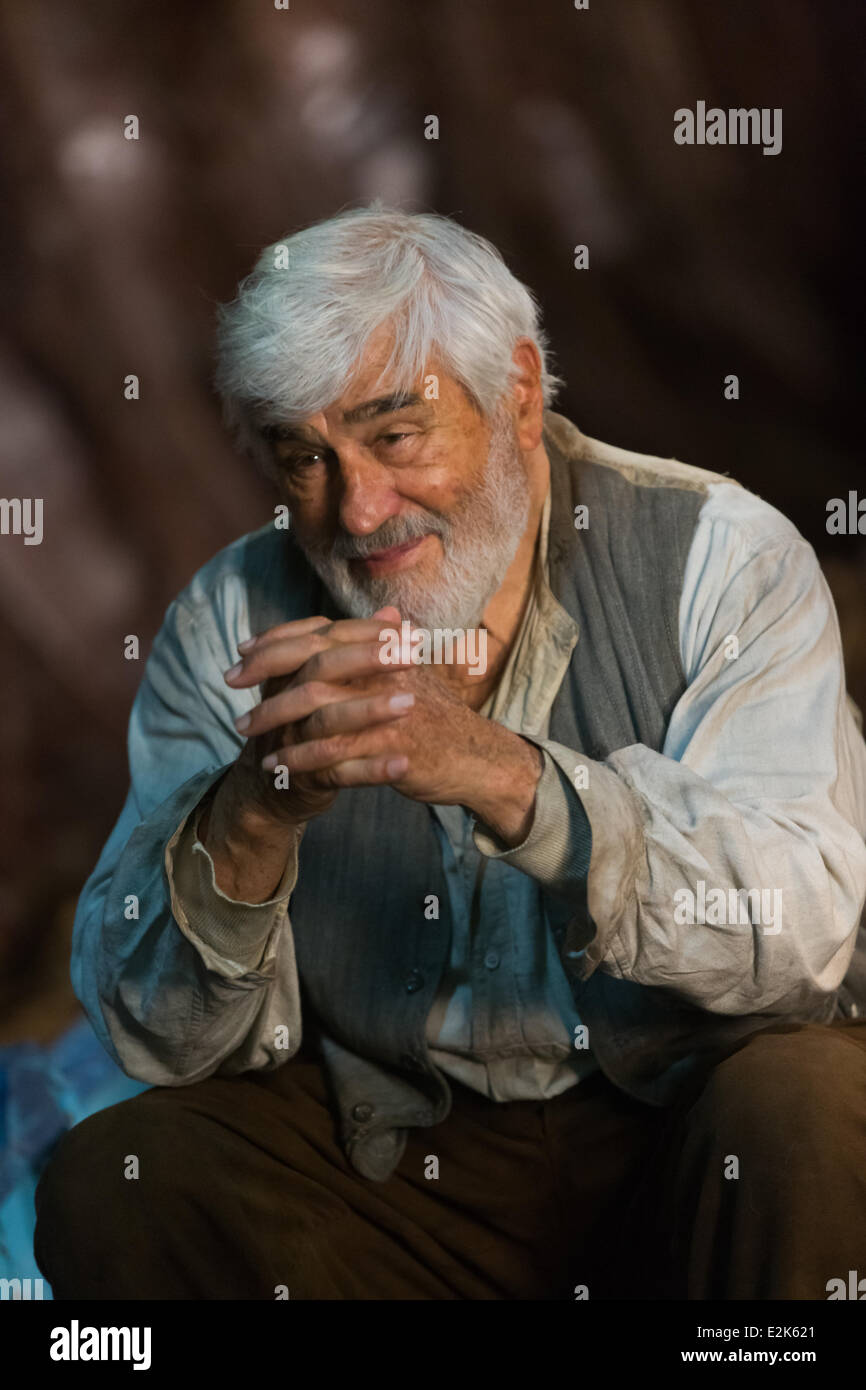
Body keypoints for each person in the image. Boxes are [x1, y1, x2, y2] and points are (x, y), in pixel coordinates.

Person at [34, 204, 866, 1300]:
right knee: (120, 1178)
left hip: (679, 1133)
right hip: (390, 1160)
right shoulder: (228, 618)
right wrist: (253, 814)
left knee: (805, 1105)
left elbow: (801, 925)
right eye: (306, 459)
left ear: (517, 394)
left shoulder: (725, 557)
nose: (359, 508)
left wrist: (499, 772)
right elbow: (156, 1035)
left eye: (394, 434)